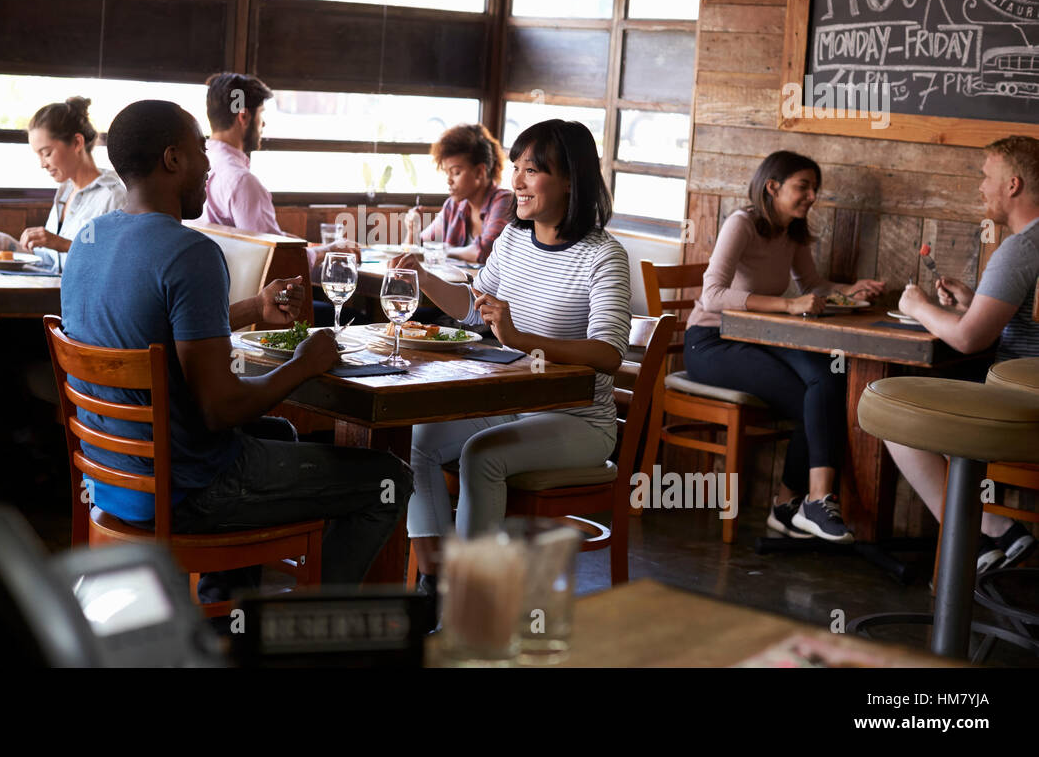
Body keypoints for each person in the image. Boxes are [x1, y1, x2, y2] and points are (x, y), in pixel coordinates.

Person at [61, 98, 411, 589]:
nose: (209, 165)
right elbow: (219, 410)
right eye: (200, 151)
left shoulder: (89, 240)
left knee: (280, 435)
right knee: (388, 480)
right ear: (173, 159)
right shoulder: (191, 252)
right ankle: (301, 636)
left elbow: (155, 335)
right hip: (190, 489)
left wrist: (250, 310)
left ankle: (230, 616)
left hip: (114, 479)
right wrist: (303, 363)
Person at [390, 119, 632, 587]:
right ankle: (434, 582)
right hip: (513, 407)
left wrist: (520, 339)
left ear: (570, 180)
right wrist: (424, 278)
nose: (517, 181)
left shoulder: (605, 256)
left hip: (580, 421)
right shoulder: (515, 240)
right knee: (415, 440)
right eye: (517, 168)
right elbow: (474, 310)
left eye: (533, 170)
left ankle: (475, 597)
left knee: (483, 454)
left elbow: (608, 355)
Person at [682, 150, 885, 544]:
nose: (812, 196)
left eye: (814, 188)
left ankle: (799, 503)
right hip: (711, 342)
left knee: (828, 379)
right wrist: (789, 305)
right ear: (772, 187)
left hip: (761, 337)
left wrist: (851, 289)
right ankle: (801, 503)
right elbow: (712, 296)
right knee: (813, 400)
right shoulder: (741, 224)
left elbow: (813, 286)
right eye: (803, 186)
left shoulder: (791, 231)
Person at [891, 135, 1039, 572]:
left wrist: (918, 307)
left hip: (1020, 409)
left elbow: (969, 341)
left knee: (892, 409)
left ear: (1012, 185)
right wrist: (976, 302)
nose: (980, 187)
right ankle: (991, 533)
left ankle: (981, 535)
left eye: (985, 176)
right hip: (1026, 397)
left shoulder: (1021, 248)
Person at [185, 73, 359, 274]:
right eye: (261, 114)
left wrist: (307, 245)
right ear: (244, 116)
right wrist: (330, 251)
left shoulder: (199, 166)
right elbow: (278, 259)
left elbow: (264, 240)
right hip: (256, 301)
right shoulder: (242, 181)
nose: (263, 124)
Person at [0, 96, 125, 272]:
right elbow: (50, 262)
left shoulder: (113, 197)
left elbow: (116, 263)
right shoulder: (65, 192)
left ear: (77, 143)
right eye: (38, 155)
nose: (42, 164)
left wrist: (61, 243)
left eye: (47, 153)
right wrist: (5, 243)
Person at [401, 122, 513, 264]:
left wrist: (444, 250)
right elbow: (419, 248)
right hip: (455, 285)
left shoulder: (504, 201)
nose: (449, 180)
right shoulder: (453, 206)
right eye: (447, 173)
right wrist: (413, 230)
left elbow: (485, 252)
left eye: (456, 172)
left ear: (480, 171)